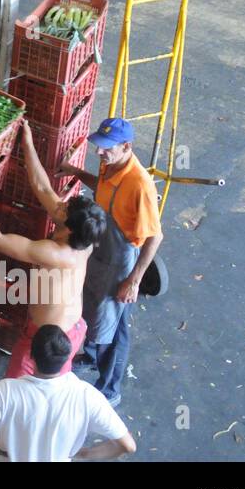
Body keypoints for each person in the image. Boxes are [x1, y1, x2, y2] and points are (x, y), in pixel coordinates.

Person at [0, 125, 107, 379]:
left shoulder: (56, 253)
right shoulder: (82, 238)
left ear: (68, 229)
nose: (59, 205)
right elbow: (42, 188)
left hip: (50, 345)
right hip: (70, 329)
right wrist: (27, 142)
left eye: (63, 210)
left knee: (19, 390)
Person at [60, 117, 163, 408]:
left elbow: (155, 237)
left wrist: (133, 281)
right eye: (98, 146)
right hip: (102, 250)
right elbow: (101, 188)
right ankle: (91, 357)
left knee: (115, 329)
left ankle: (109, 390)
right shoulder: (112, 165)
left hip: (121, 261)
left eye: (105, 148)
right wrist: (74, 171)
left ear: (126, 146)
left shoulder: (139, 184)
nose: (99, 153)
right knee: (96, 312)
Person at [0, 325, 137, 462]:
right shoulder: (87, 396)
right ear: (69, 356)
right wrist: (82, 454)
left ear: (31, 356)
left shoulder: (4, 391)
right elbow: (128, 445)